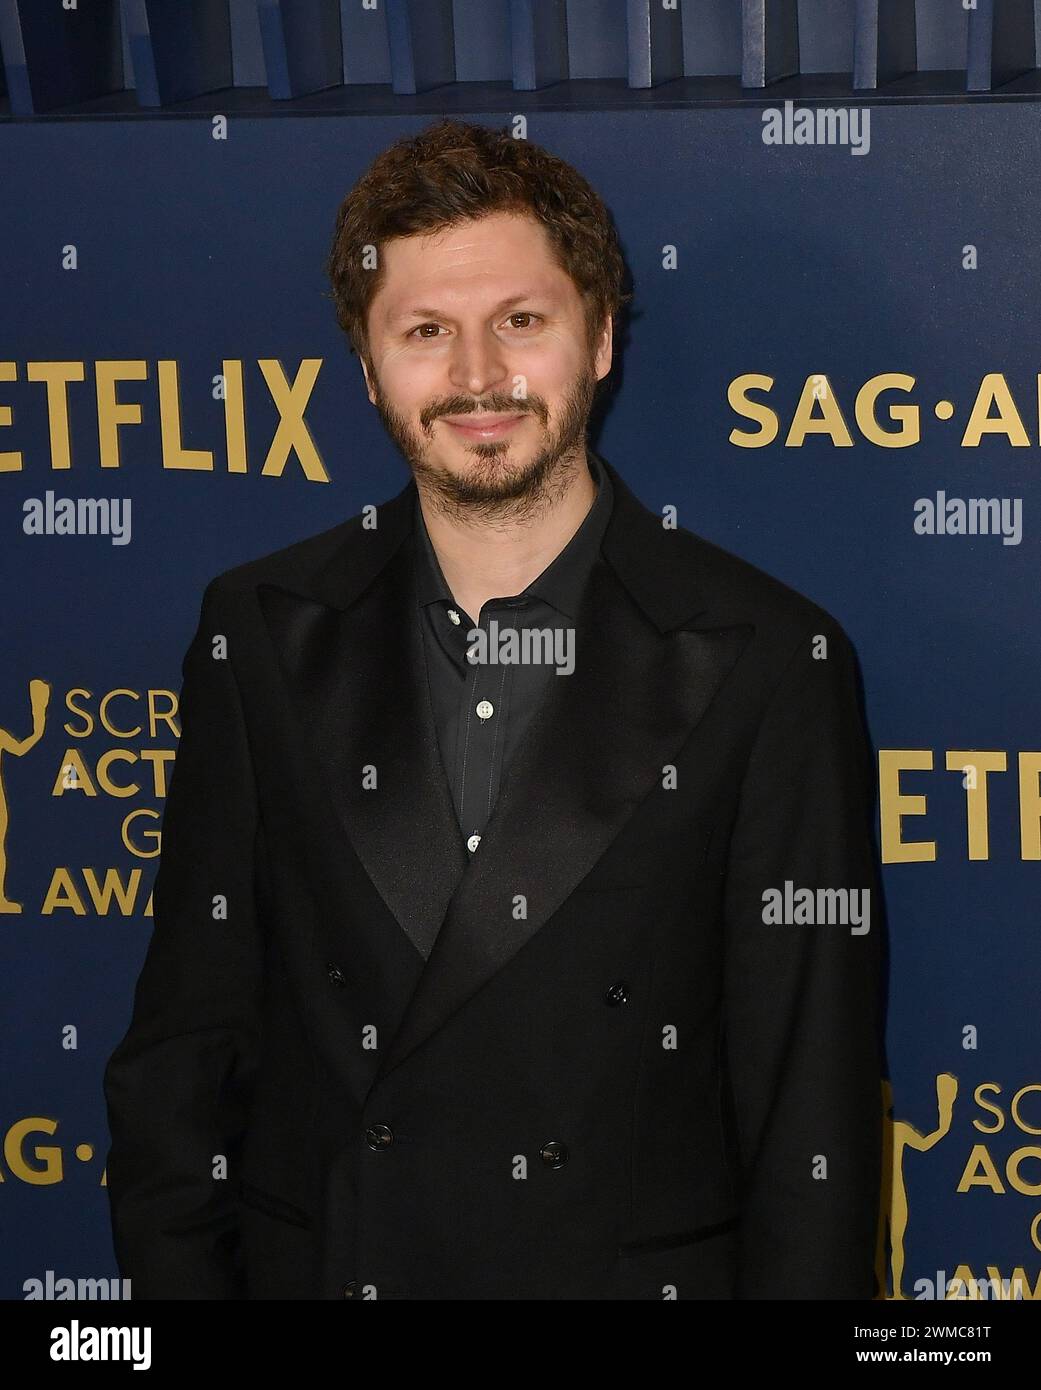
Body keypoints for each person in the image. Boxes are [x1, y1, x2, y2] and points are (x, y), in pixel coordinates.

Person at [103, 118, 883, 1300]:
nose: (476, 375)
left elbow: (809, 1114)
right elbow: (185, 1050)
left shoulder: (772, 659)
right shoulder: (257, 630)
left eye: (521, 320)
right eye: (426, 330)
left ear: (600, 336)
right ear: (369, 365)